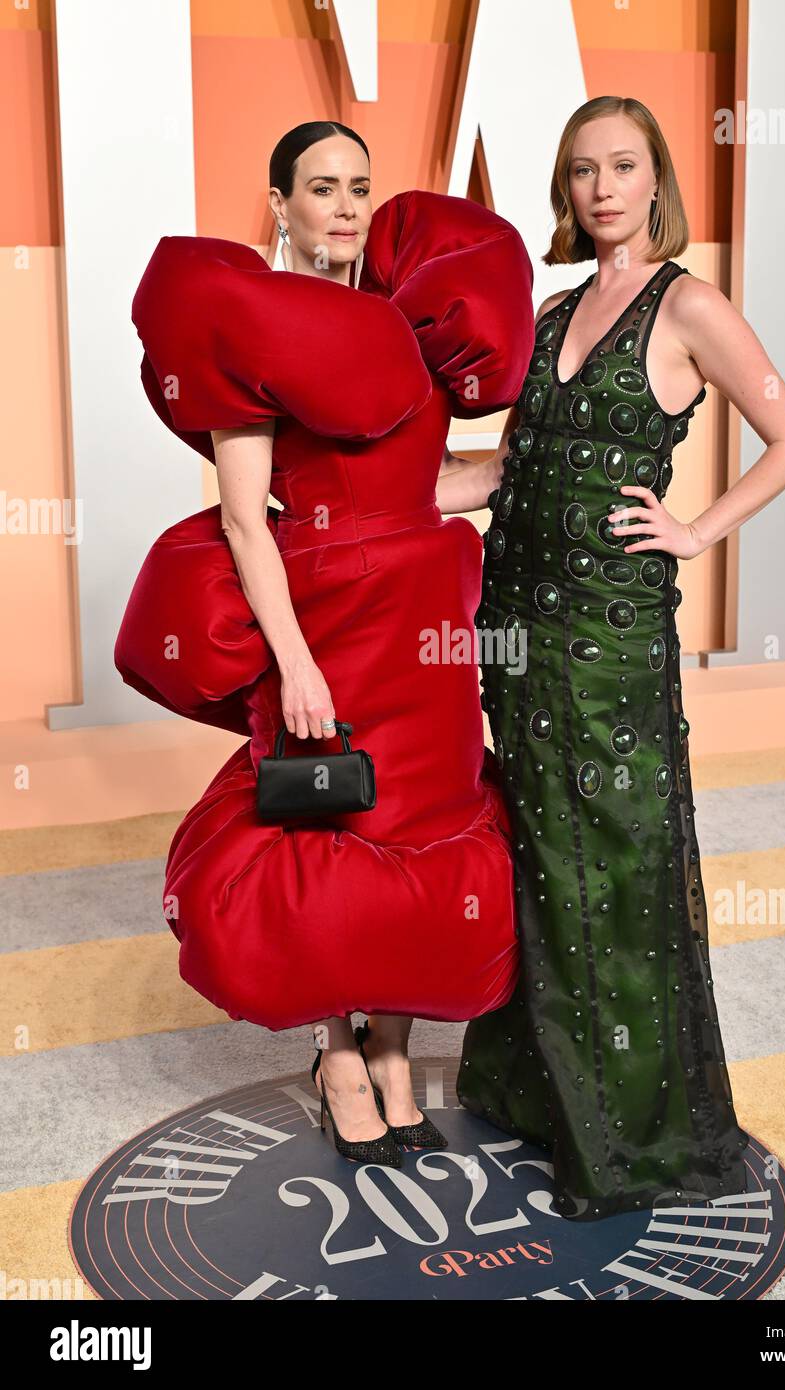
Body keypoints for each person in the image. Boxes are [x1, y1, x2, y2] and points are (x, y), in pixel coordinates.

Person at [115, 122, 534, 1167]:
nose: (344, 207)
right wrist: (294, 663)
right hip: (322, 628)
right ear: (279, 203)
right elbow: (250, 520)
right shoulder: (250, 323)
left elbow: (421, 488)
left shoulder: (412, 324)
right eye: (320, 187)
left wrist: (544, 455)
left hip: (422, 624)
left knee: (423, 819)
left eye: (358, 187)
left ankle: (393, 1049)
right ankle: (336, 1050)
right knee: (328, 827)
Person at [437, 96, 785, 1220]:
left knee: (619, 872)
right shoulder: (552, 313)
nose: (602, 187)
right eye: (582, 170)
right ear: (565, 190)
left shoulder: (689, 303)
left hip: (607, 640)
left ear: (656, 180)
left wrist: (697, 529)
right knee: (541, 859)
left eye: (623, 166)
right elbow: (505, 470)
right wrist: (355, 492)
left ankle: (637, 1140)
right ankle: (537, 1089)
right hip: (515, 632)